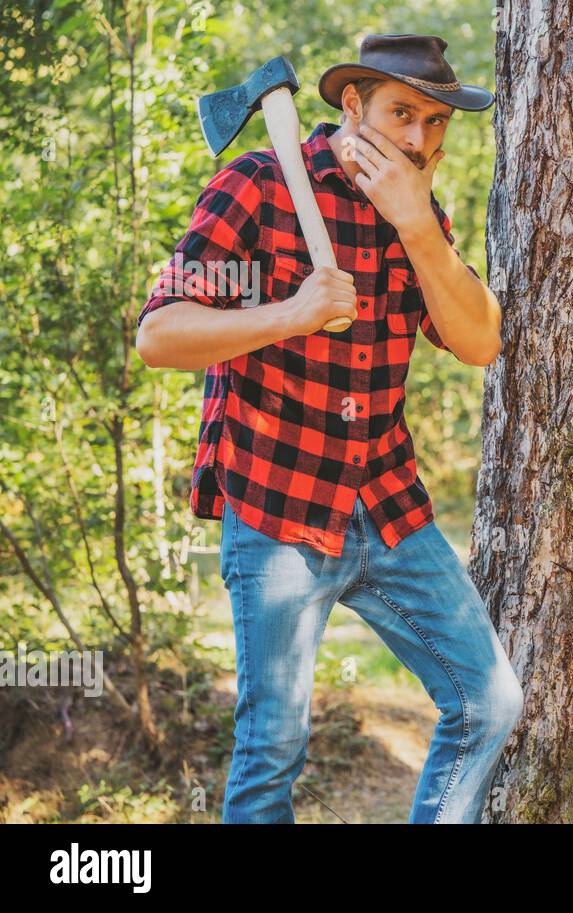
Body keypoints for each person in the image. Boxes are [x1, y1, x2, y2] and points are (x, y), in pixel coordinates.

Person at [136, 33, 522, 824]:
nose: (422, 139)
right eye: (402, 115)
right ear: (352, 105)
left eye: (437, 122)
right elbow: (159, 334)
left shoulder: (418, 211)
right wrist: (290, 314)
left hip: (386, 503)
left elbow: (481, 339)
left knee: (488, 703)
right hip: (278, 508)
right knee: (273, 750)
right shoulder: (257, 185)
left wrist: (416, 225)